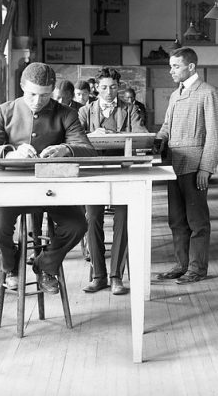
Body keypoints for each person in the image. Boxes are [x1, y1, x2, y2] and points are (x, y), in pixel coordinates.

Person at [0, 62, 95, 294]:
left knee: (77, 225)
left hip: (53, 190)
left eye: (45, 95)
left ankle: (45, 264)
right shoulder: (3, 111)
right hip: (12, 190)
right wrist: (10, 152)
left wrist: (65, 150)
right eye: (32, 94)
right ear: (21, 87)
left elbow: (87, 150)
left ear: (53, 92)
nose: (38, 101)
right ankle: (11, 265)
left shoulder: (66, 113)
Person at [155, 47, 218, 283]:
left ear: (191, 67)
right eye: (171, 66)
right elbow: (166, 125)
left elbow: (216, 134)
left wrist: (206, 168)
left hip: (195, 167)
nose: (171, 70)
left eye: (176, 66)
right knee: (176, 220)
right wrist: (158, 140)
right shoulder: (176, 95)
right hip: (174, 165)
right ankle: (182, 264)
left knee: (197, 221)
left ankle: (197, 268)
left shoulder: (208, 93)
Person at [78, 67, 147, 295]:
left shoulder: (130, 110)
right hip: (93, 173)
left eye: (114, 87)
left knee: (123, 219)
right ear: (96, 88)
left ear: (119, 88)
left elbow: (141, 136)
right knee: (92, 219)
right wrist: (92, 136)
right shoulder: (85, 112)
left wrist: (115, 137)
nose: (109, 92)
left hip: (122, 172)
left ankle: (116, 275)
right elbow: (75, 139)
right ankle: (99, 275)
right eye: (104, 87)